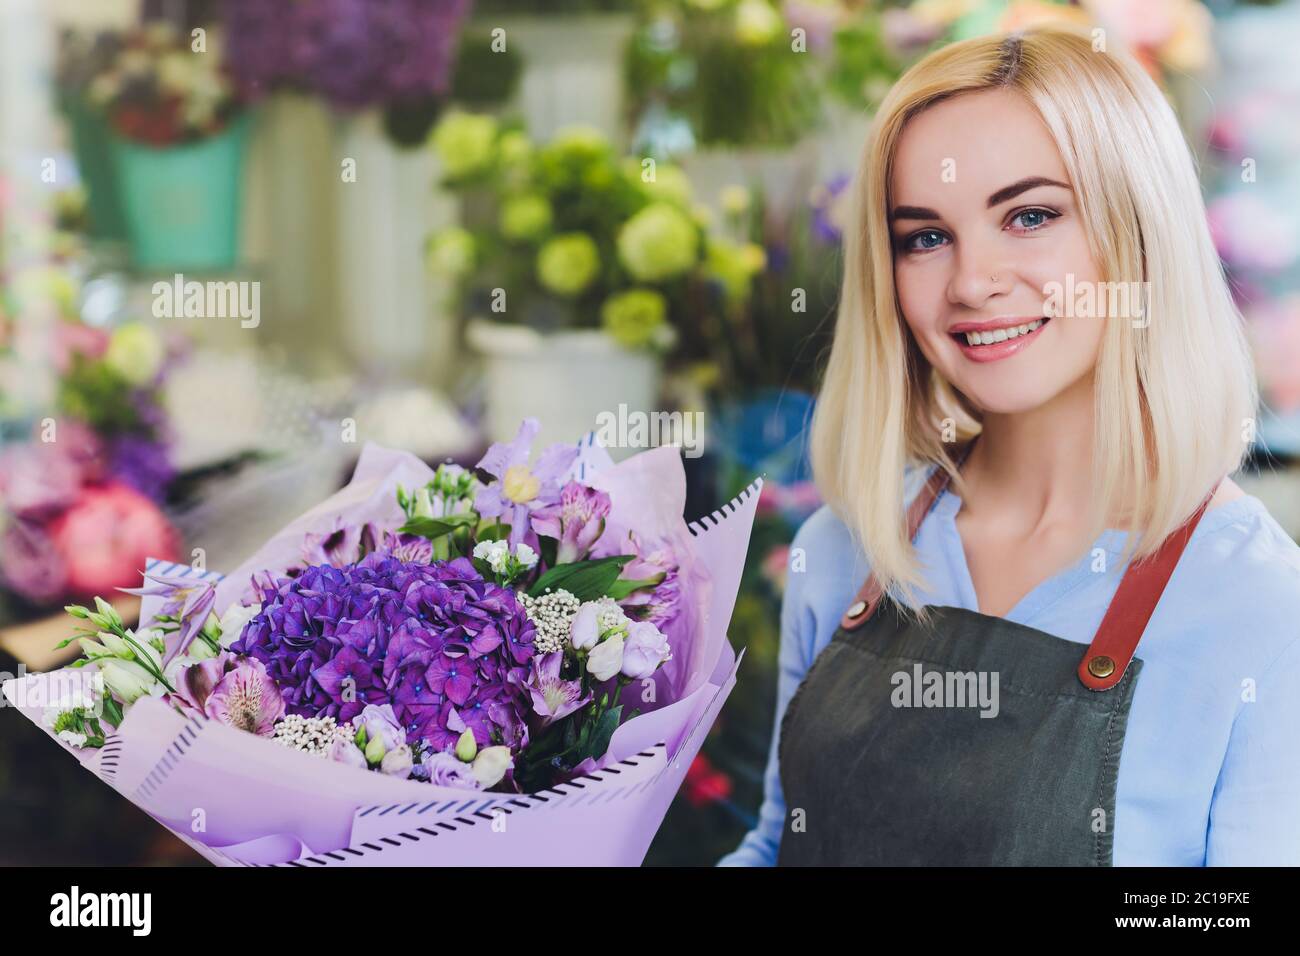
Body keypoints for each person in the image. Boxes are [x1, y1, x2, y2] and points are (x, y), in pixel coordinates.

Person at [719, 27, 1300, 866]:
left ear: (1137, 233)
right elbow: (778, 847)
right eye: (924, 235)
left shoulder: (1259, 609)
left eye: (1030, 216)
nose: (970, 281)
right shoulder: (846, 550)